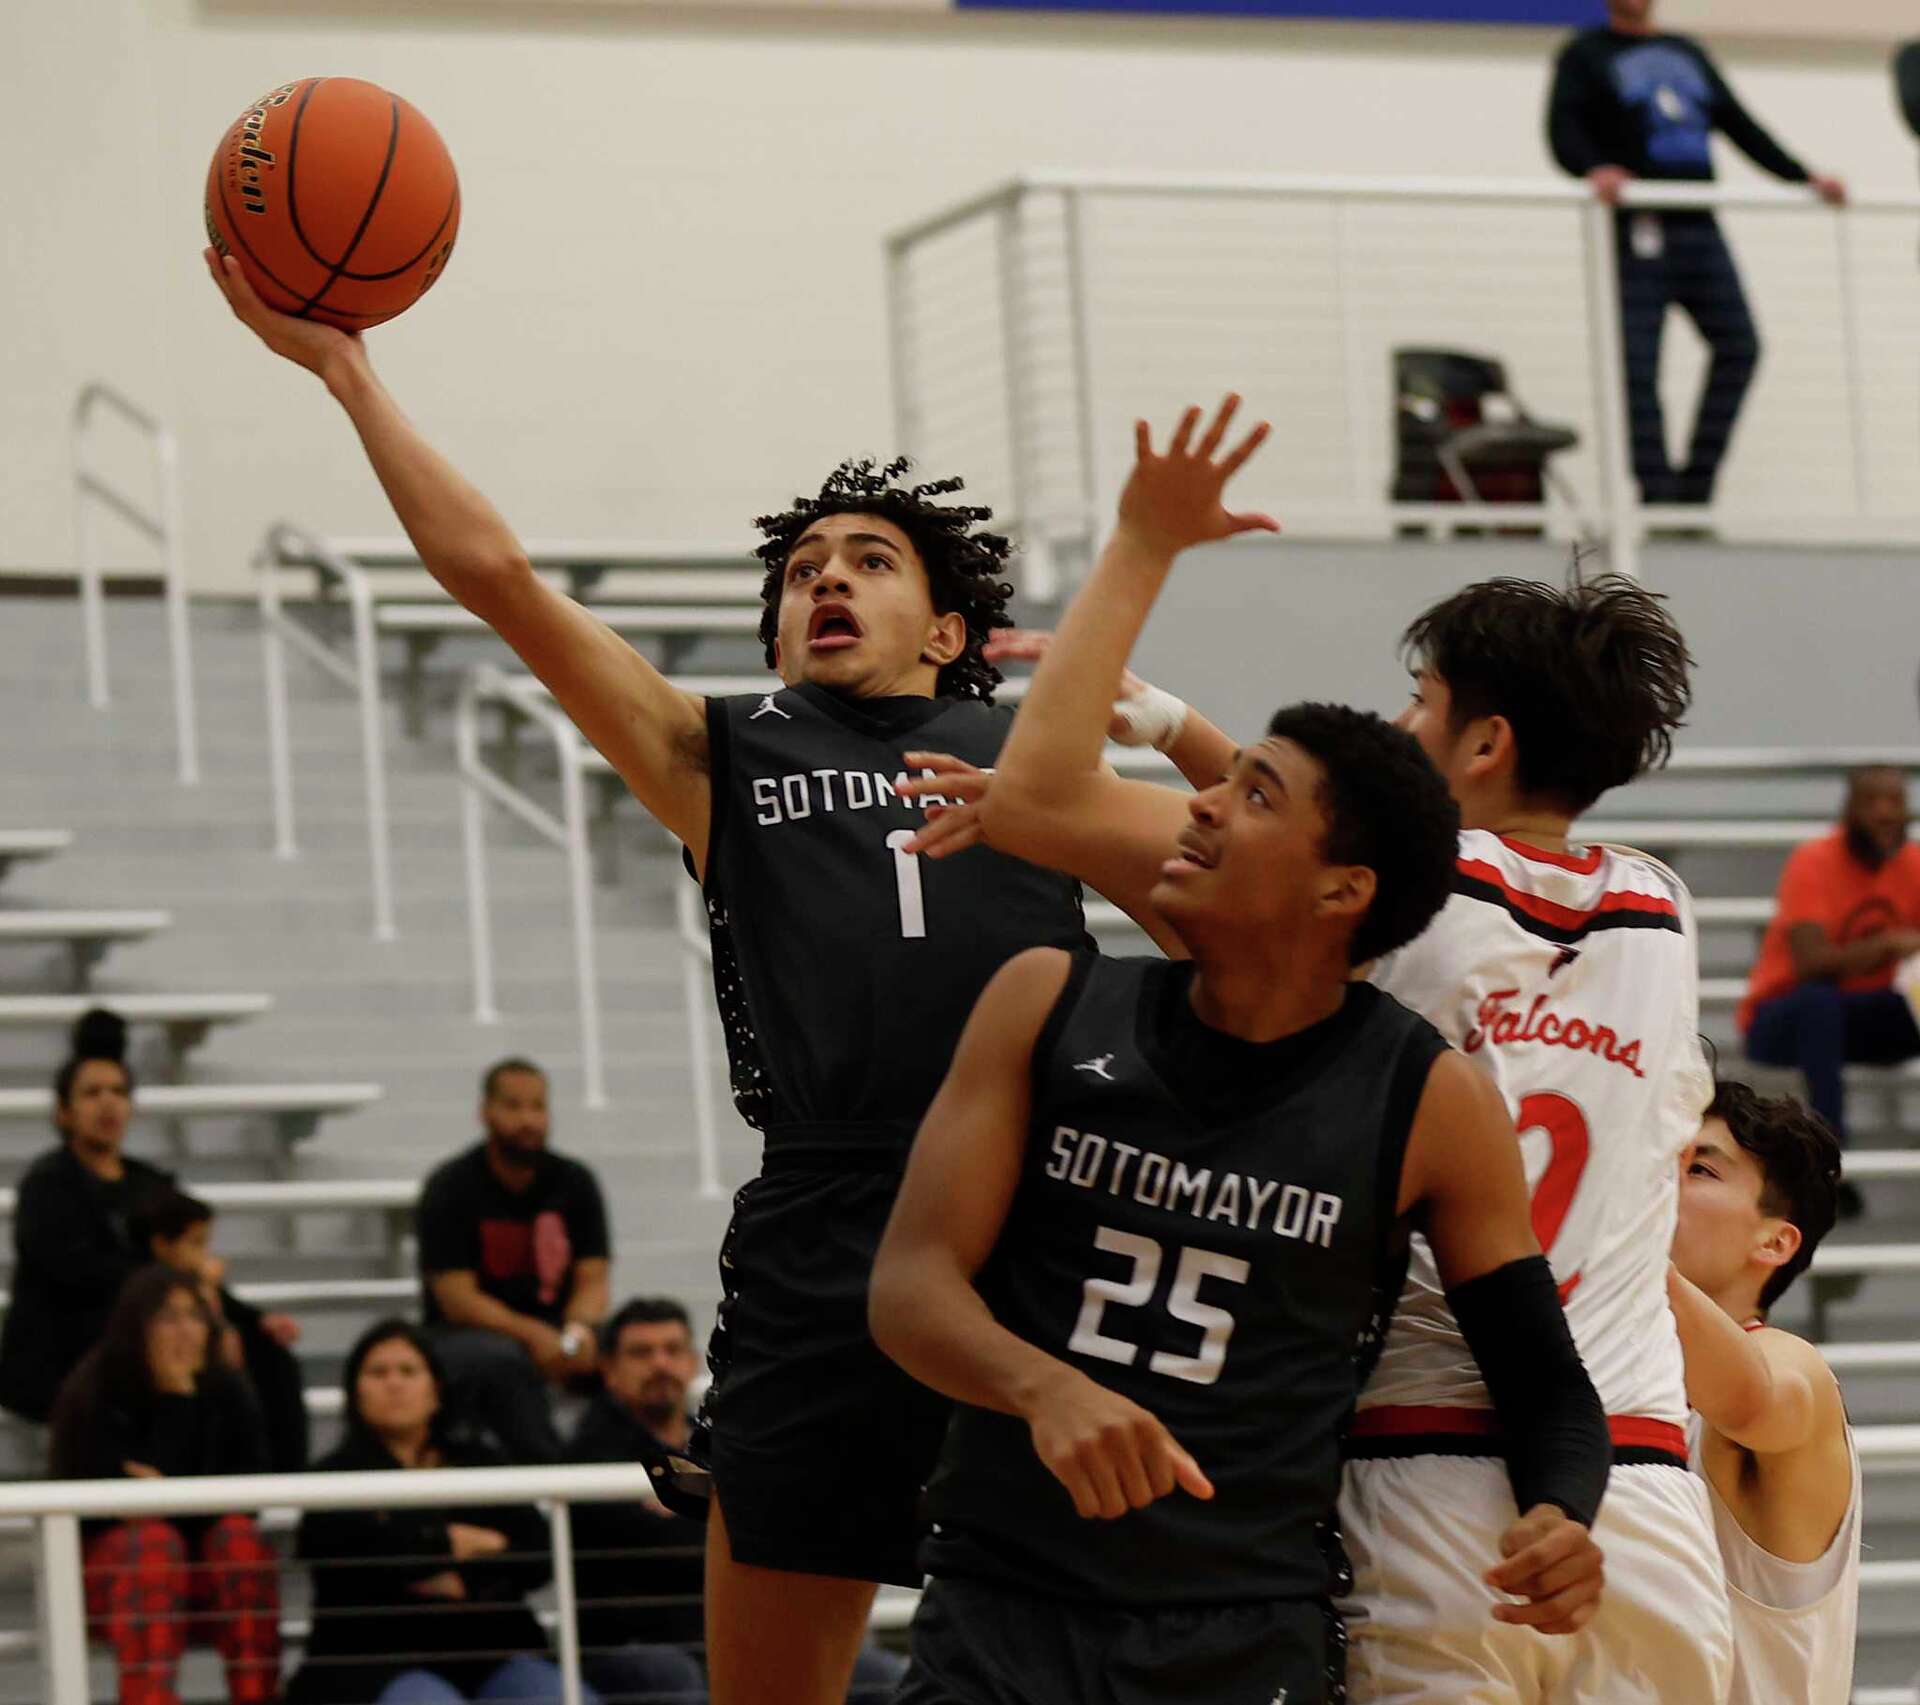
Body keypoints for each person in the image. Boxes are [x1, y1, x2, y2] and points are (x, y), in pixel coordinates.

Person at [205, 248, 1122, 1705]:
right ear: (770, 630)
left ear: (951, 632)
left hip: (1041, 1220)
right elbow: (497, 580)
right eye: (803, 569)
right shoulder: (724, 756)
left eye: (869, 560)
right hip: (826, 1237)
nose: (827, 577)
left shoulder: (1044, 759)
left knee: (1066, 1665)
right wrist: (347, 374)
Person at [906, 397, 1729, 1699]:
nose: (1399, 729)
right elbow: (1358, 848)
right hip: (1634, 1495)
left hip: (1428, 1475)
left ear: (1482, 741)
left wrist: (1139, 591)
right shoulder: (1657, 911)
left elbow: (1079, 804)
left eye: (1417, 706)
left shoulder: (1399, 917)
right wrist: (1184, 733)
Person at [1546, 0, 1846, 511]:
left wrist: (1803, 176)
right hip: (1639, 226)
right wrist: (1595, 168)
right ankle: (1657, 494)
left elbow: (1738, 124)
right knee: (1638, 366)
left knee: (1740, 346)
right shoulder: (1585, 54)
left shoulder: (1686, 51)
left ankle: (1695, 489)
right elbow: (1563, 130)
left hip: (1698, 224)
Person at [566, 1298, 909, 1704]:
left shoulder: (722, 1439)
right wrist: (728, 1513)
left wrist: (696, 1509)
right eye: (642, 1353)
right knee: (678, 1681)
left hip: (747, 1628)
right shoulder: (590, 1452)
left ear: (693, 1361)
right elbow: (675, 1547)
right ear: (609, 1370)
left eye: (672, 1350)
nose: (660, 1364)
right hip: (637, 1646)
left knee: (888, 1678)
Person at [286, 1319, 597, 1705]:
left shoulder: (480, 1460)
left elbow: (535, 1556)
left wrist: (440, 1568)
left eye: (408, 1371)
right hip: (372, 1661)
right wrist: (451, 1541)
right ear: (356, 1392)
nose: (394, 1383)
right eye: (378, 1372)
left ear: (435, 1391)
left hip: (491, 1651)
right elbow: (350, 1564)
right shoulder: (332, 1476)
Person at [1668, 1079, 1856, 1705]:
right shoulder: (1608, 1374)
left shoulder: (1792, 1365)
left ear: (1774, 1240)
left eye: (1697, 1168)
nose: (1661, 1182)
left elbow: (1756, 1399)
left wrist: (1622, 1241)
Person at [51, 1264, 280, 1705]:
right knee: (152, 1543)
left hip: (211, 1574)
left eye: (194, 1316)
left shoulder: (229, 1389)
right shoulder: (95, 1389)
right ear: (135, 1325)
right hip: (123, 1582)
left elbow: (251, 1493)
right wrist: (176, 1401)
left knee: (237, 1539)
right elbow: (94, 1502)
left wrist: (163, 1496)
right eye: (167, 1318)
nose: (185, 1331)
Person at [416, 1058, 610, 1463]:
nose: (528, 1119)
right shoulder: (450, 1186)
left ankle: (644, 1474)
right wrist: (537, 1337)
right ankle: (554, 1477)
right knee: (502, 1358)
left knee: (637, 1345)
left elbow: (593, 1279)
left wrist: (576, 1335)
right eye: (513, 1106)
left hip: (558, 1330)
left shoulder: (575, 1181)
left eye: (538, 1106)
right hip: (464, 1335)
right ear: (485, 1112)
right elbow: (458, 1299)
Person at [1740, 766, 1920, 1186]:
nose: (1885, 813)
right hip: (1780, 1021)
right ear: (1849, 810)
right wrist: (1888, 944)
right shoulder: (1815, 860)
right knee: (1818, 1001)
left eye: (1894, 801)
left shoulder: (1912, 864)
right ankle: (1830, 1157)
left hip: (1864, 1021)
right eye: (1872, 802)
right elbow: (1810, 965)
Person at [0, 1009, 173, 1425]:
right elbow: (73, 1272)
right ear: (64, 1112)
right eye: (92, 1093)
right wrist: (154, 1276)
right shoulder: (46, 1184)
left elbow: (184, 1258)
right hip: (64, 1355)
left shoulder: (152, 1183)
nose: (108, 1103)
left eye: (118, 1091)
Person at [132, 1186, 310, 1473]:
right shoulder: (142, 1291)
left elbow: (235, 1311)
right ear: (161, 1245)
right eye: (196, 1243)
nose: (205, 1254)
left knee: (276, 1360)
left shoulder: (202, 1283)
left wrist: (263, 1320)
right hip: (173, 1394)